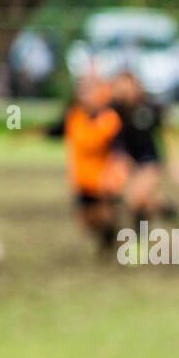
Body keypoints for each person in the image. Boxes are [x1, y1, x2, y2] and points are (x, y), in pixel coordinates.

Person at [45, 75, 126, 255]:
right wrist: (26, 132)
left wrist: (114, 174)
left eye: (90, 91)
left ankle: (113, 233)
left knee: (106, 214)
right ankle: (108, 234)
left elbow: (119, 151)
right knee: (86, 222)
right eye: (83, 91)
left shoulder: (110, 119)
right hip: (83, 179)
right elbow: (56, 131)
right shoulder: (74, 116)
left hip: (105, 180)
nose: (86, 95)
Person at [110, 70, 179, 239]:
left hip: (149, 161)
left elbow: (170, 132)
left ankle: (138, 241)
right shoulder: (114, 109)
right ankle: (174, 212)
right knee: (147, 202)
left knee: (136, 200)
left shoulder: (150, 107)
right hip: (127, 163)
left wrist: (178, 161)